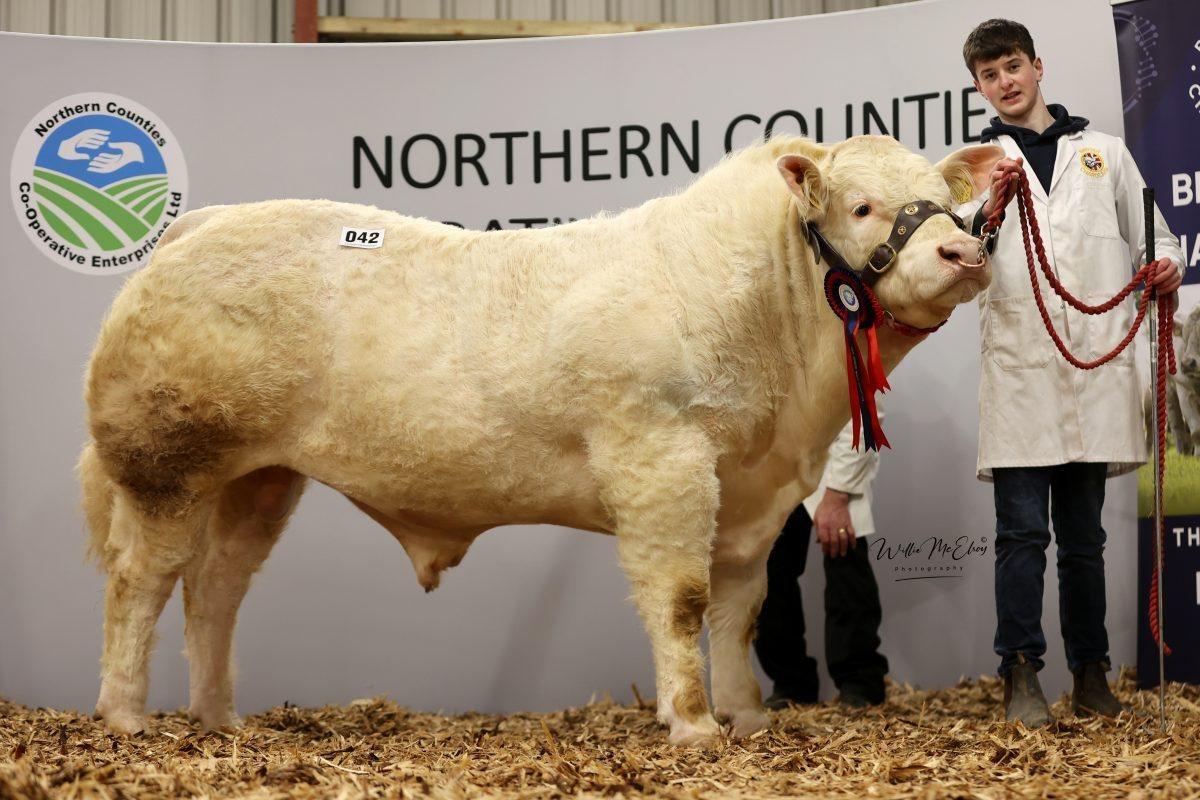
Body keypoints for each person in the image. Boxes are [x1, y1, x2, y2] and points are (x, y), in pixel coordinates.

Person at [959, 18, 1185, 727]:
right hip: (1022, 375)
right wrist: (982, 220)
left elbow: (1158, 236)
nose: (1006, 83)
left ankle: (1090, 674)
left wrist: (1169, 264)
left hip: (1095, 370)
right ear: (979, 87)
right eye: (990, 75)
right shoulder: (973, 164)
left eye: (1013, 66)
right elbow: (955, 264)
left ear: (1038, 66)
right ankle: (1020, 674)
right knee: (1022, 538)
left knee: (1084, 541)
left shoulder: (1104, 154)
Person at [753, 414, 889, 710]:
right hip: (773, 470)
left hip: (836, 465)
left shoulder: (854, 362)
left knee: (845, 563)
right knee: (765, 574)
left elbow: (862, 412)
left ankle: (861, 685)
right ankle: (791, 684)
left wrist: (838, 493)